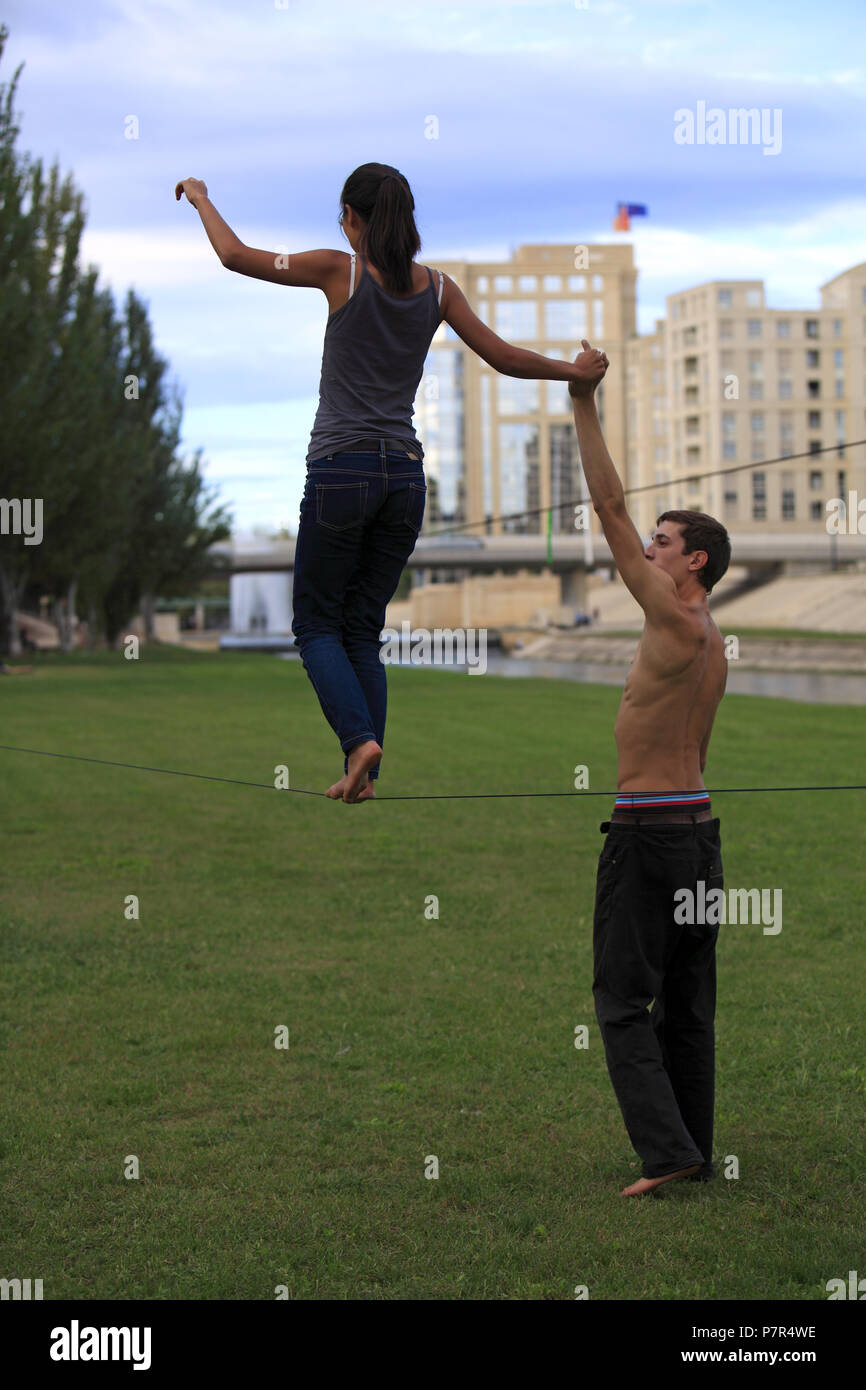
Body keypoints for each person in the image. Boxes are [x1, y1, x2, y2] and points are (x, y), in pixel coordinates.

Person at [177, 164, 604, 800]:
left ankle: (358, 743)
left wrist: (202, 198)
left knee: (316, 627)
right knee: (361, 631)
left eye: (342, 219)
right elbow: (505, 359)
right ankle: (365, 772)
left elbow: (236, 256)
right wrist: (573, 371)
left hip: (341, 469)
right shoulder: (438, 289)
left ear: (353, 218)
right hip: (405, 477)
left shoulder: (338, 270)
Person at [568, 340, 731, 1197]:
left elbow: (608, 504)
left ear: (693, 561)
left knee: (621, 1000)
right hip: (699, 835)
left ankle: (666, 1154)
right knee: (689, 1007)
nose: (651, 548)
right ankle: (692, 1150)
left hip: (648, 835)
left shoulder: (673, 617)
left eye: (664, 543)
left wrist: (581, 401)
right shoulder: (715, 647)